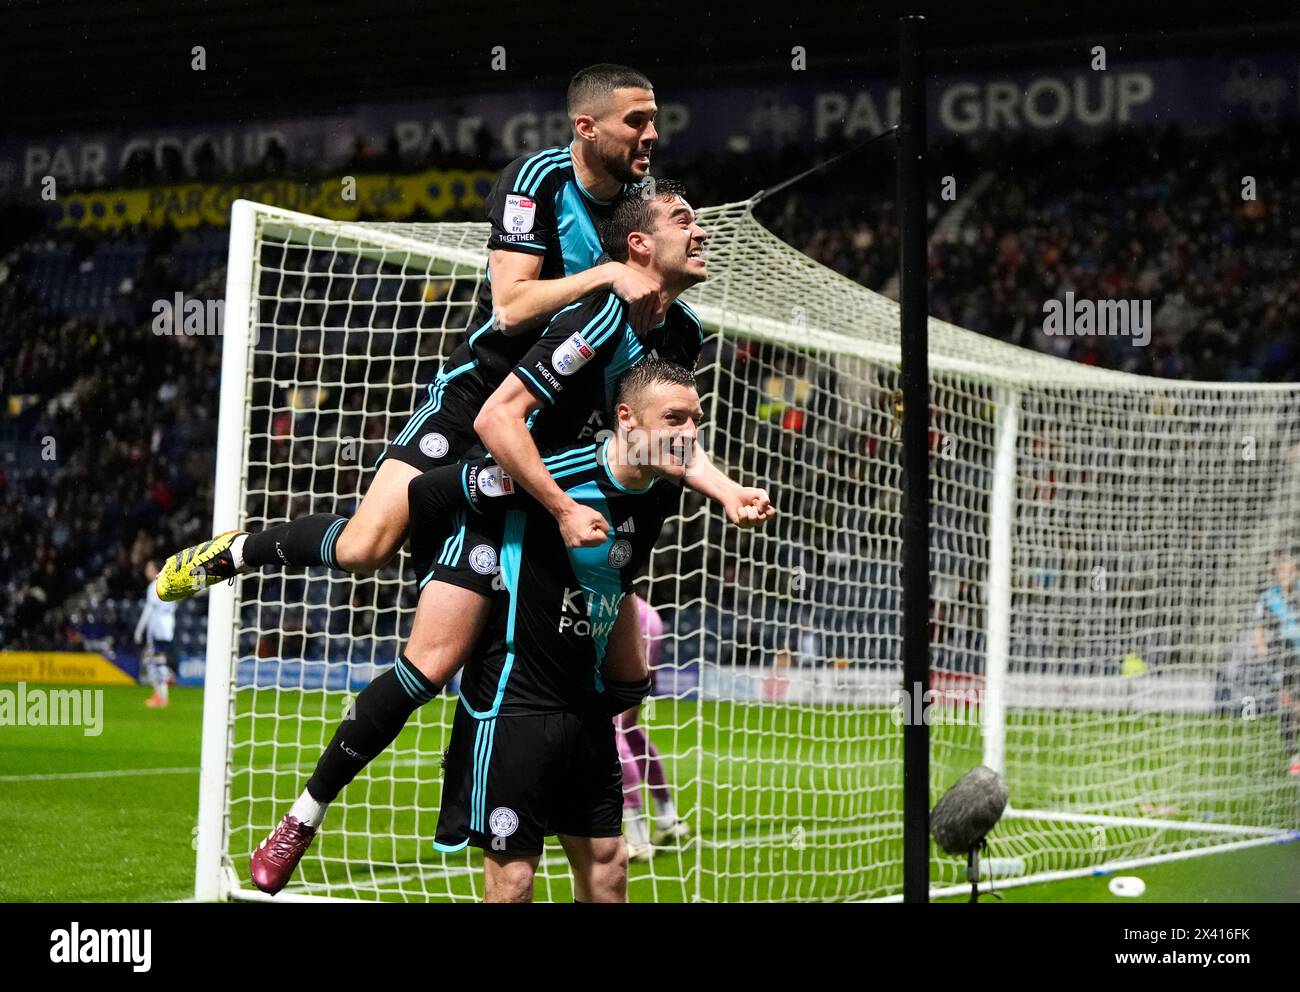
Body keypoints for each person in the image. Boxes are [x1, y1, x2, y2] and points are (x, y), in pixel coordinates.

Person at [156, 62, 665, 603]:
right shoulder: (537, 179)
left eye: (653, 120)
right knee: (366, 548)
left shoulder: (644, 200)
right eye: (637, 121)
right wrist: (607, 272)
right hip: (481, 392)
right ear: (586, 127)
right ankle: (237, 553)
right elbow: (511, 309)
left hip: (558, 411)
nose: (652, 135)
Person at [619, 595, 689, 862]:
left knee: (615, 733)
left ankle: (638, 838)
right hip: (647, 617)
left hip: (632, 619)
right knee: (629, 732)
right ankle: (668, 817)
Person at [1251, 549, 1300, 776]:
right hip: (1283, 653)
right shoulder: (1268, 598)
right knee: (1286, 703)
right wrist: (1262, 648)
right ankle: (1294, 756)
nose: (1287, 574)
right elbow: (1258, 626)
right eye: (1283, 570)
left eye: (1291, 570)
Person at [134, 560, 178, 708]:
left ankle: (162, 696)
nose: (147, 570)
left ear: (155, 570)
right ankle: (159, 694)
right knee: (158, 661)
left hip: (158, 628)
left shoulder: (154, 586)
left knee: (156, 662)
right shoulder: (169, 583)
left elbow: (149, 610)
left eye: (149, 568)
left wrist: (140, 629)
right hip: (167, 628)